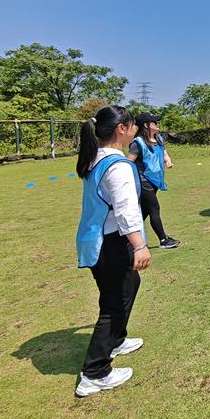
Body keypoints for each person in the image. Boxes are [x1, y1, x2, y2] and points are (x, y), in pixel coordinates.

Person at [74, 106, 151, 397]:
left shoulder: (96, 157)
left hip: (98, 240)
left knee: (127, 286)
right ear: (121, 129)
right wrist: (139, 246)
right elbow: (126, 209)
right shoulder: (117, 165)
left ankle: (116, 340)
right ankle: (94, 373)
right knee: (114, 304)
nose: (135, 130)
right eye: (132, 125)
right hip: (111, 241)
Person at [127, 113, 180, 250]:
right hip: (143, 180)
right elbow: (128, 163)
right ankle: (163, 239)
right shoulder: (137, 143)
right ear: (146, 125)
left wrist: (168, 161)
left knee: (144, 211)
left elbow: (164, 154)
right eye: (155, 122)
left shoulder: (158, 138)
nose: (157, 124)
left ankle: (126, 240)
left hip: (155, 180)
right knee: (154, 208)